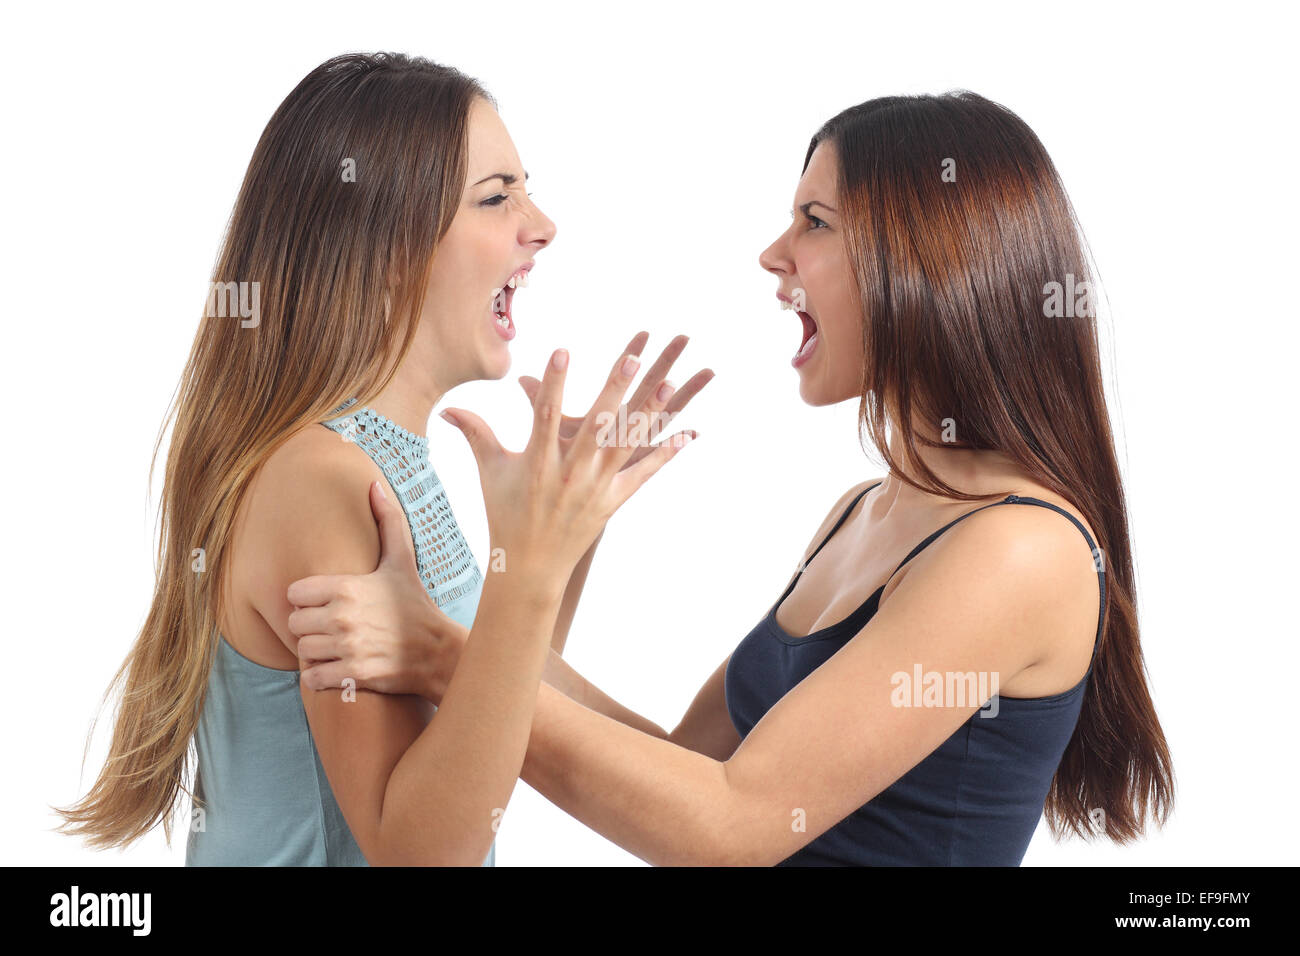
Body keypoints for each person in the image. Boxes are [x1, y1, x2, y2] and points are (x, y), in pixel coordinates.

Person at [288, 92, 1174, 865]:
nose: (773, 253)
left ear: (930, 260)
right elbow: (689, 770)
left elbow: (728, 831)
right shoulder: (865, 512)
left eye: (815, 222)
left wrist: (441, 656)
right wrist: (567, 540)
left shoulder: (1022, 549)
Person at [55, 51, 708, 866]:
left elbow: (490, 718)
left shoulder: (371, 462)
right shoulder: (327, 483)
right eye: (498, 197)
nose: (542, 225)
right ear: (385, 244)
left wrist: (564, 538)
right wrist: (528, 567)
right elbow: (423, 853)